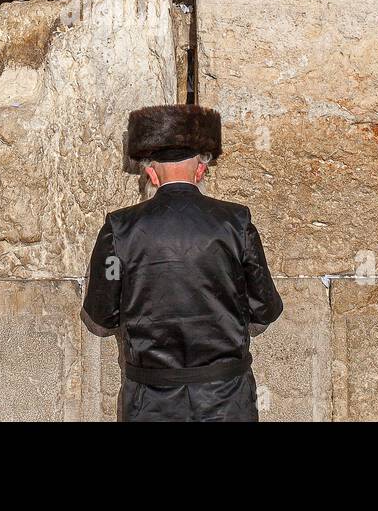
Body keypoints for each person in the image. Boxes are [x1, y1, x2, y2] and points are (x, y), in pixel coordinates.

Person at [82, 104, 283, 422]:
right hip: (227, 398)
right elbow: (266, 309)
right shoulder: (236, 221)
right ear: (201, 170)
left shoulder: (119, 227)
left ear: (150, 173)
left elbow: (101, 315)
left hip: (151, 401)